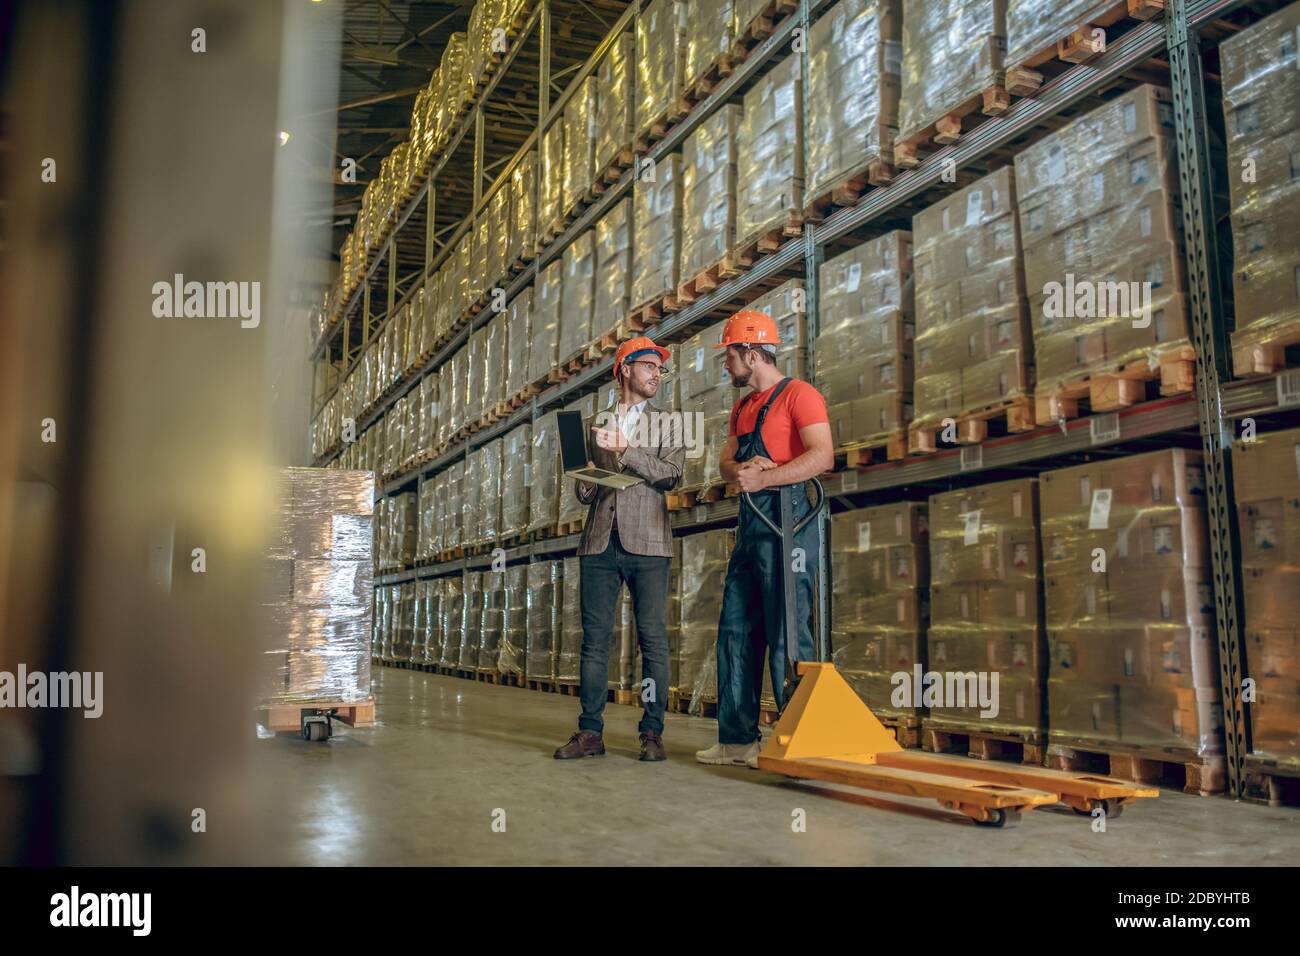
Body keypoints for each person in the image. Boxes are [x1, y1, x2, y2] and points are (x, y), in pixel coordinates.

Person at [694, 310, 834, 768]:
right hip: (753, 523)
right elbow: (726, 463)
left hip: (790, 520)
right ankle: (737, 740)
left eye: (729, 355)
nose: (725, 364)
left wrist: (769, 478)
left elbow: (823, 456)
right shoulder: (742, 407)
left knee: (787, 628)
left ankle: (797, 738)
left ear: (751, 354)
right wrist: (743, 473)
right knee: (736, 626)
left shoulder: (800, 395)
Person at [553, 336, 684, 763]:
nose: (657, 375)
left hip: (648, 542)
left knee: (652, 641)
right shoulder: (594, 421)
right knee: (594, 642)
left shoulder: (670, 423)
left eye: (660, 369)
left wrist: (625, 450)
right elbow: (584, 493)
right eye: (649, 366)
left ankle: (651, 733)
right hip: (599, 542)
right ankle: (590, 732)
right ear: (625, 369)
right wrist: (585, 474)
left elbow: (671, 475)